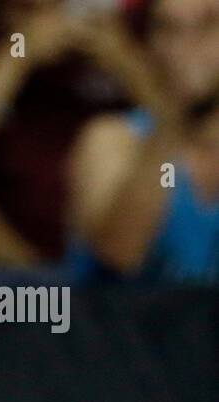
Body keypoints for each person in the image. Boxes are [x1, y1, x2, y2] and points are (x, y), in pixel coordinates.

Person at [0, 0, 165, 266]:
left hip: (119, 242)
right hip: (18, 257)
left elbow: (185, 129)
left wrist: (124, 61)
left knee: (109, 140)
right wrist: (17, 57)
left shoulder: (130, 28)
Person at [69, 0, 219, 281]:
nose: (187, 43)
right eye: (169, 28)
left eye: (207, 25)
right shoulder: (112, 139)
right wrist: (170, 119)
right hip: (126, 321)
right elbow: (119, 253)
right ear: (149, 44)